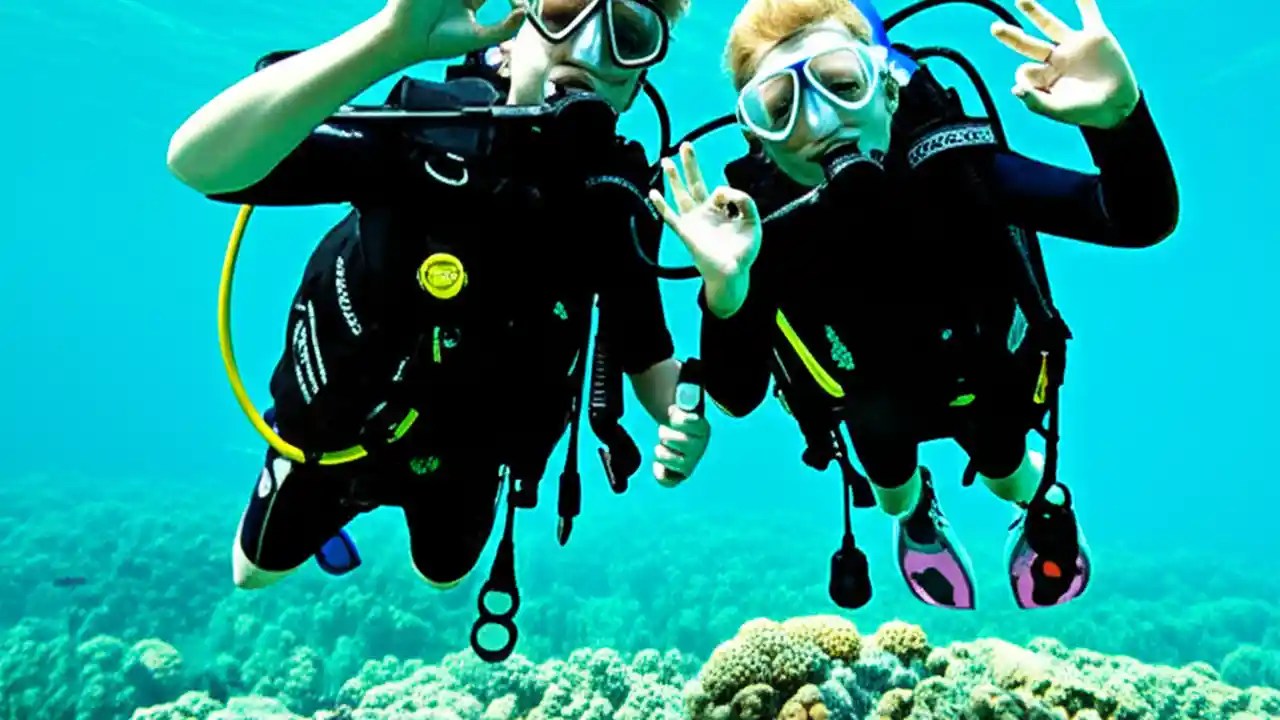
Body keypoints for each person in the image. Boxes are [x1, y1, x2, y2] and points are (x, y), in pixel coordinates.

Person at [166, 0, 710, 635]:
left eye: (631, 34)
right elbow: (198, 162)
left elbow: (645, 353)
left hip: (471, 458)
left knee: (443, 574)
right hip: (333, 436)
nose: (589, 48)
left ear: (639, 80)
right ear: (508, 37)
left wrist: (680, 413)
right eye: (563, 11)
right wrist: (390, 42)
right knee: (251, 573)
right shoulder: (421, 131)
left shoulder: (616, 203)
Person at [651, 0, 1177, 610]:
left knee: (1009, 470)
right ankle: (917, 514)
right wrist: (726, 290)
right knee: (892, 491)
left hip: (989, 379)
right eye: (780, 106)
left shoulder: (961, 169)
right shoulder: (758, 233)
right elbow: (737, 394)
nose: (820, 119)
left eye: (841, 82)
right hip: (874, 407)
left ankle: (1035, 501)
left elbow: (1137, 218)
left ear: (888, 91)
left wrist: (1120, 124)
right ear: (757, 140)